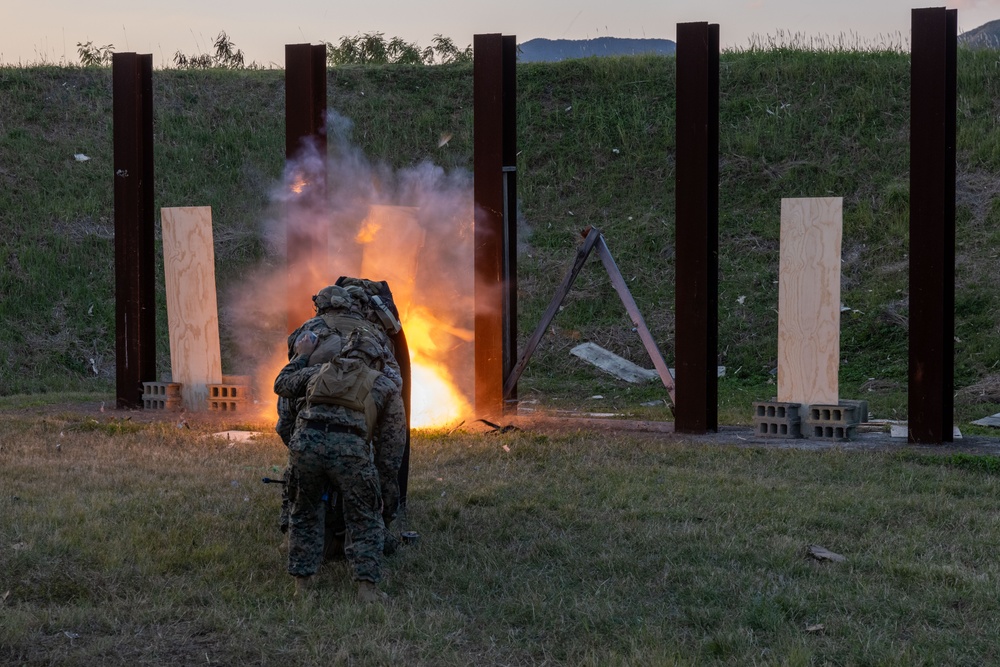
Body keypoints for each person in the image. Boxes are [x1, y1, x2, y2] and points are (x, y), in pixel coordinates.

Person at [274, 325, 406, 602]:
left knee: (304, 513)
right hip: (350, 452)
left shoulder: (316, 371)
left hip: (305, 446)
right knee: (364, 517)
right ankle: (367, 590)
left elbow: (281, 385)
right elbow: (392, 444)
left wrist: (302, 355)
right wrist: (383, 483)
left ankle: (302, 587)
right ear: (376, 359)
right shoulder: (383, 383)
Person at [275, 283, 407, 542]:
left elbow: (288, 379)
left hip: (312, 405)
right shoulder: (373, 333)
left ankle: (291, 511)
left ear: (319, 306)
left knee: (292, 435)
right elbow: (395, 381)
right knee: (387, 463)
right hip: (362, 411)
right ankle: (383, 521)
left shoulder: (308, 329)